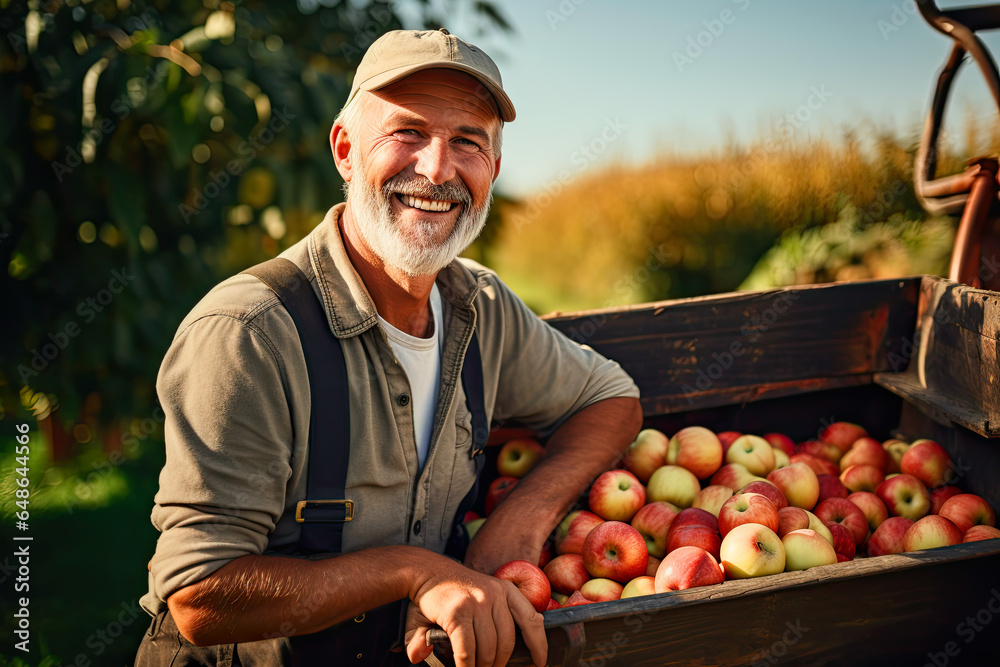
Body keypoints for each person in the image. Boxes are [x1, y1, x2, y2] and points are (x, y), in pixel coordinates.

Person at [136, 28, 642, 667]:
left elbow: (612, 399)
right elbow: (199, 596)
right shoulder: (250, 334)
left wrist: (519, 523)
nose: (436, 169)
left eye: (467, 142)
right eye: (406, 133)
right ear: (345, 151)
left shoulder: (479, 307)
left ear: (493, 169)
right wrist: (412, 571)